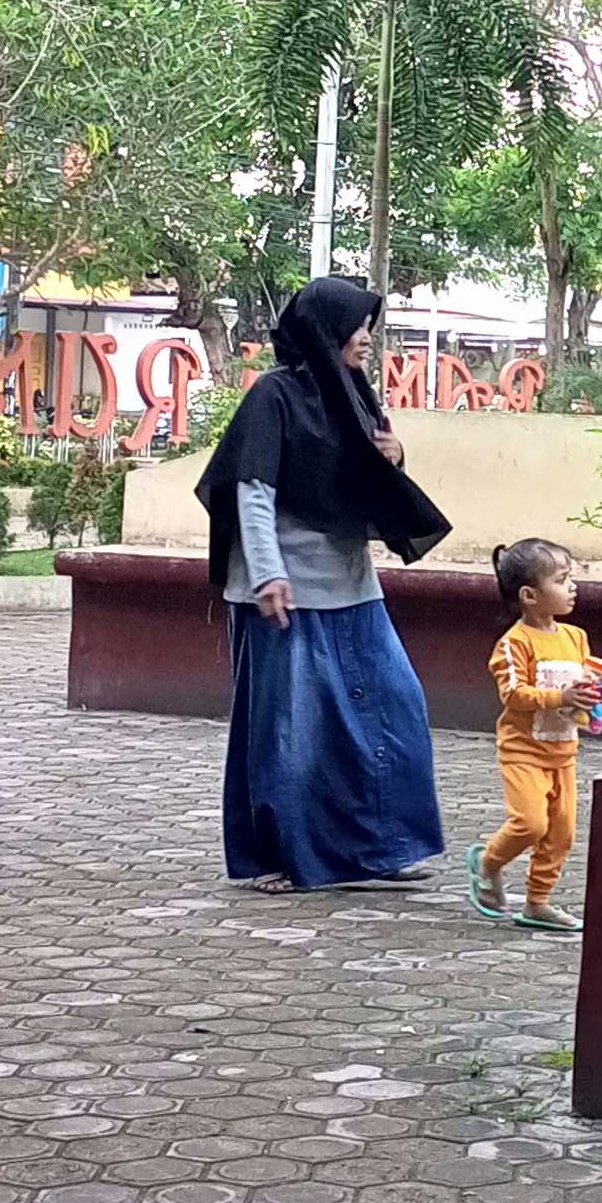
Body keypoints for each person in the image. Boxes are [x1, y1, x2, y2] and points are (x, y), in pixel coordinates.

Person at [200, 277, 455, 890]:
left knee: (395, 710)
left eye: (368, 325)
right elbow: (252, 491)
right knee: (292, 735)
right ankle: (289, 858)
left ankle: (378, 850)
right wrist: (267, 574)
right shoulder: (274, 396)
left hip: (352, 584)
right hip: (283, 591)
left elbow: (358, 482)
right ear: (323, 330)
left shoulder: (354, 394)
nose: (365, 338)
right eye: (354, 325)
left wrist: (394, 455)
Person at [470, 537, 602, 933]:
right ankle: (488, 861)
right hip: (523, 751)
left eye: (573, 578)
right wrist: (561, 696)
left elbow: (583, 686)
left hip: (564, 750)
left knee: (561, 831)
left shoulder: (576, 638)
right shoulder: (514, 644)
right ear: (530, 595)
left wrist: (600, 693)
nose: (574, 587)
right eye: (563, 579)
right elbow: (514, 695)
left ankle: (538, 902)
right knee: (530, 823)